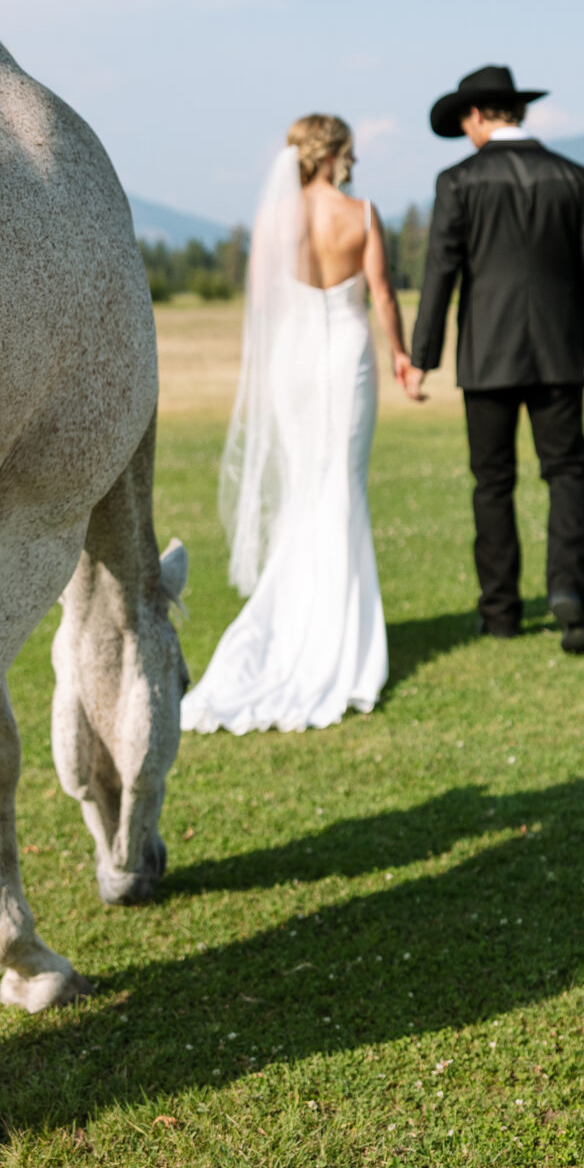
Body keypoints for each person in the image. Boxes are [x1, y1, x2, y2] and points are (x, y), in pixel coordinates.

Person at [181, 115, 412, 733]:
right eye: (349, 153)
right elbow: (383, 294)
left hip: (292, 363)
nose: (352, 163)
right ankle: (339, 637)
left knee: (309, 485)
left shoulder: (275, 218)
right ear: (333, 154)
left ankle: (297, 619)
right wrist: (403, 357)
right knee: (341, 485)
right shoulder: (361, 214)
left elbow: (262, 301)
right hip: (345, 355)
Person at [405, 66, 584, 653]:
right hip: (559, 354)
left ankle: (500, 611)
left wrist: (422, 358)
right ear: (514, 112)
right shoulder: (575, 177)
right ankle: (570, 594)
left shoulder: (457, 181)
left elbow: (439, 272)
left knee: (492, 482)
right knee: (566, 474)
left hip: (486, 356)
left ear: (475, 117)